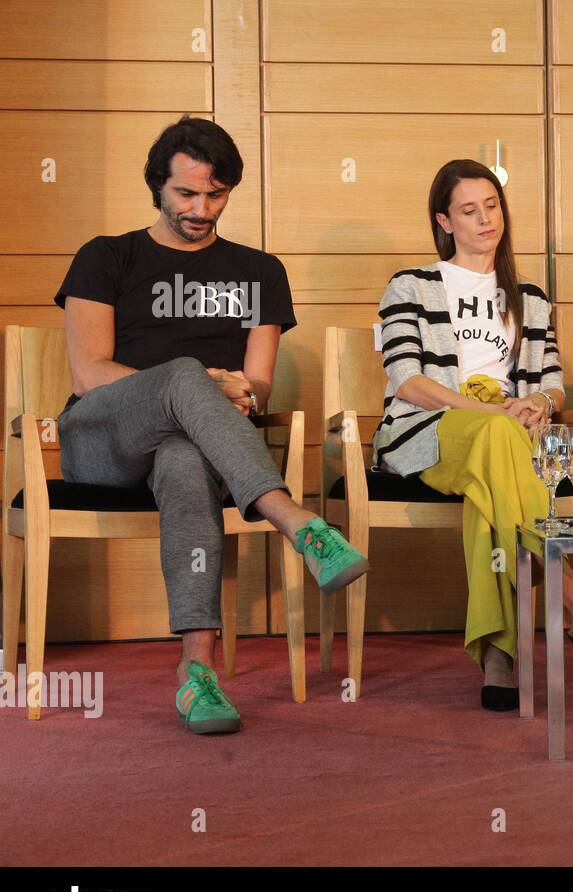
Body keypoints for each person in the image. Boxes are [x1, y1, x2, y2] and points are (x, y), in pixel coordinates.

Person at [55, 117, 369, 735]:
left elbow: (256, 387)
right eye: (186, 194)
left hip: (198, 441)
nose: (201, 209)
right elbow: (89, 373)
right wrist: (200, 381)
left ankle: (196, 674)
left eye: (216, 194)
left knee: (184, 457)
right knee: (180, 374)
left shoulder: (259, 271)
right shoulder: (106, 256)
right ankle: (297, 521)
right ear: (157, 187)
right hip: (103, 443)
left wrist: (220, 390)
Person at [372, 159, 573, 712]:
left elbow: (555, 387)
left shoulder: (529, 298)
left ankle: (498, 656)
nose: (485, 218)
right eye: (468, 210)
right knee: (495, 441)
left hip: (512, 441)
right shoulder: (411, 285)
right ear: (444, 221)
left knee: (489, 494)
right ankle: (569, 591)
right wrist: (487, 414)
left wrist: (537, 401)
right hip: (429, 432)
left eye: (492, 206)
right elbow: (407, 381)